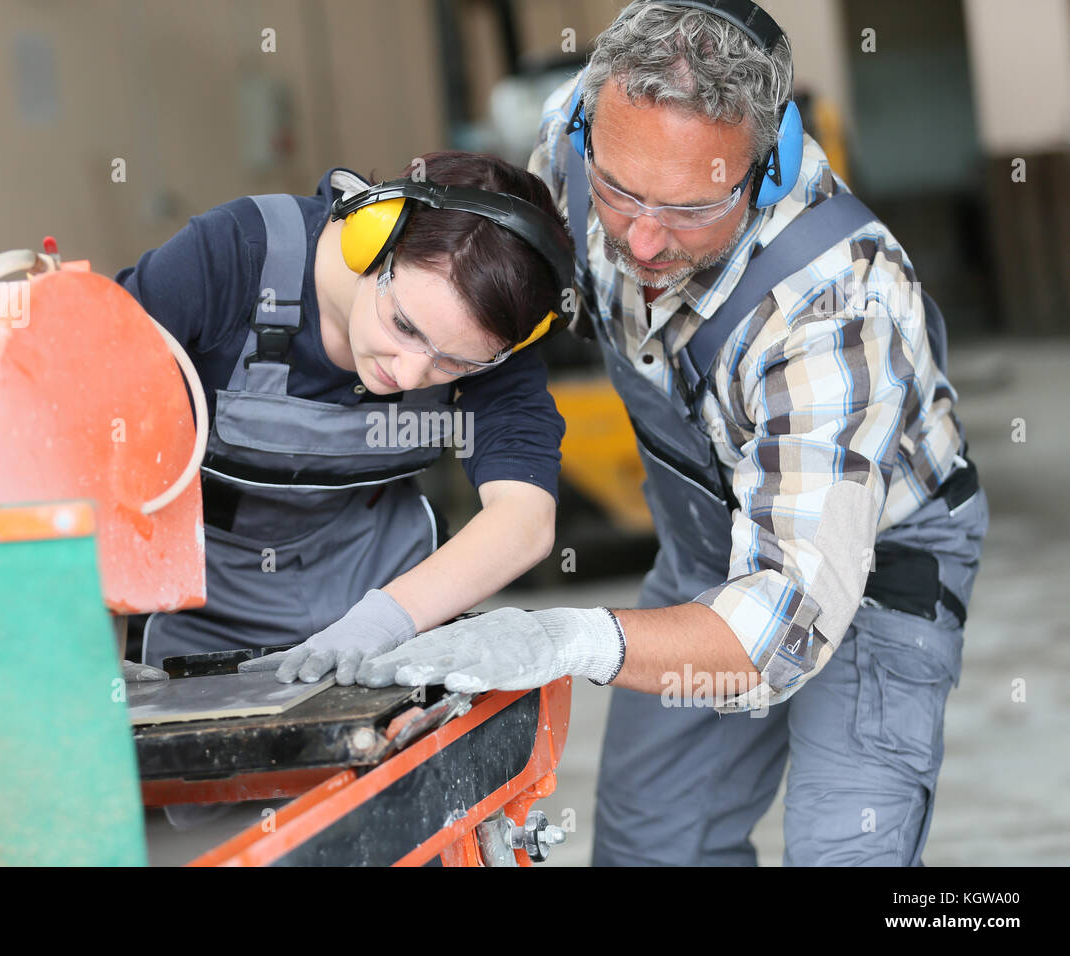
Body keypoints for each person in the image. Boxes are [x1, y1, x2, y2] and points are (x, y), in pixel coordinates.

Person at [359, 0, 988, 867]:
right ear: (586, 125)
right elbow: (509, 328)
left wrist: (568, 637)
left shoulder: (837, 305)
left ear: (766, 173)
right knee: (651, 850)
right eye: (620, 193)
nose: (644, 240)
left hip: (870, 574)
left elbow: (783, 630)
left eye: (692, 207)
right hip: (705, 551)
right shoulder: (573, 146)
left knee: (847, 852)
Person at [114, 151, 572, 686]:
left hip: (388, 610)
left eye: (455, 363)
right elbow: (73, 437)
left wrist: (381, 623)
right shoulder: (232, 257)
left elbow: (525, 517)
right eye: (404, 326)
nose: (410, 373)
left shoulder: (487, 342)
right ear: (372, 241)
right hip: (198, 606)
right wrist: (85, 640)